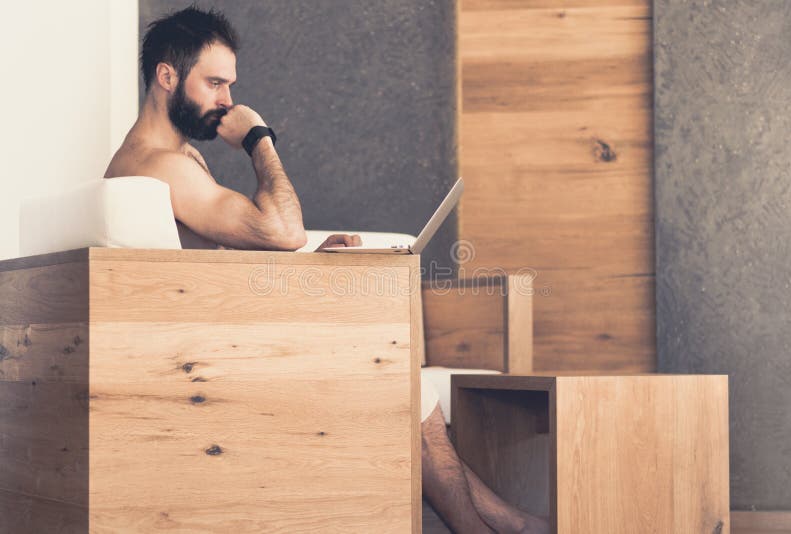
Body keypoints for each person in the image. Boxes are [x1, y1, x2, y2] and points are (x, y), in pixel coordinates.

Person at [105, 7, 548, 533]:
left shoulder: (169, 160)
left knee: (406, 388)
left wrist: (313, 264)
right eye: (216, 83)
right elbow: (284, 232)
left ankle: (510, 524)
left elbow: (218, 270)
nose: (228, 100)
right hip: (211, 360)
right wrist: (258, 138)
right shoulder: (164, 167)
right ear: (167, 76)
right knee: (403, 384)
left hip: (220, 339)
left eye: (230, 84)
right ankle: (501, 526)